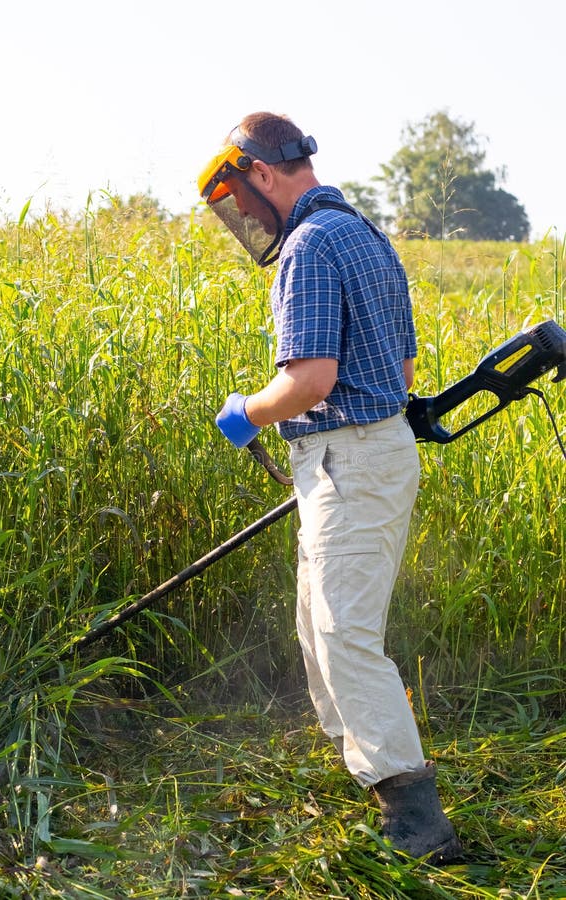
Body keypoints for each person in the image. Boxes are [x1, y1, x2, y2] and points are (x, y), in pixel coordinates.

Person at [197, 112, 462, 865]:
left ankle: (417, 821)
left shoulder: (309, 246)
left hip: (351, 460)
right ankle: (364, 767)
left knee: (345, 633)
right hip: (358, 456)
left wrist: (246, 413)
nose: (244, 217)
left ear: (262, 173)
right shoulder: (365, 235)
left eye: (242, 201)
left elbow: (310, 378)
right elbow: (404, 372)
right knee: (317, 623)